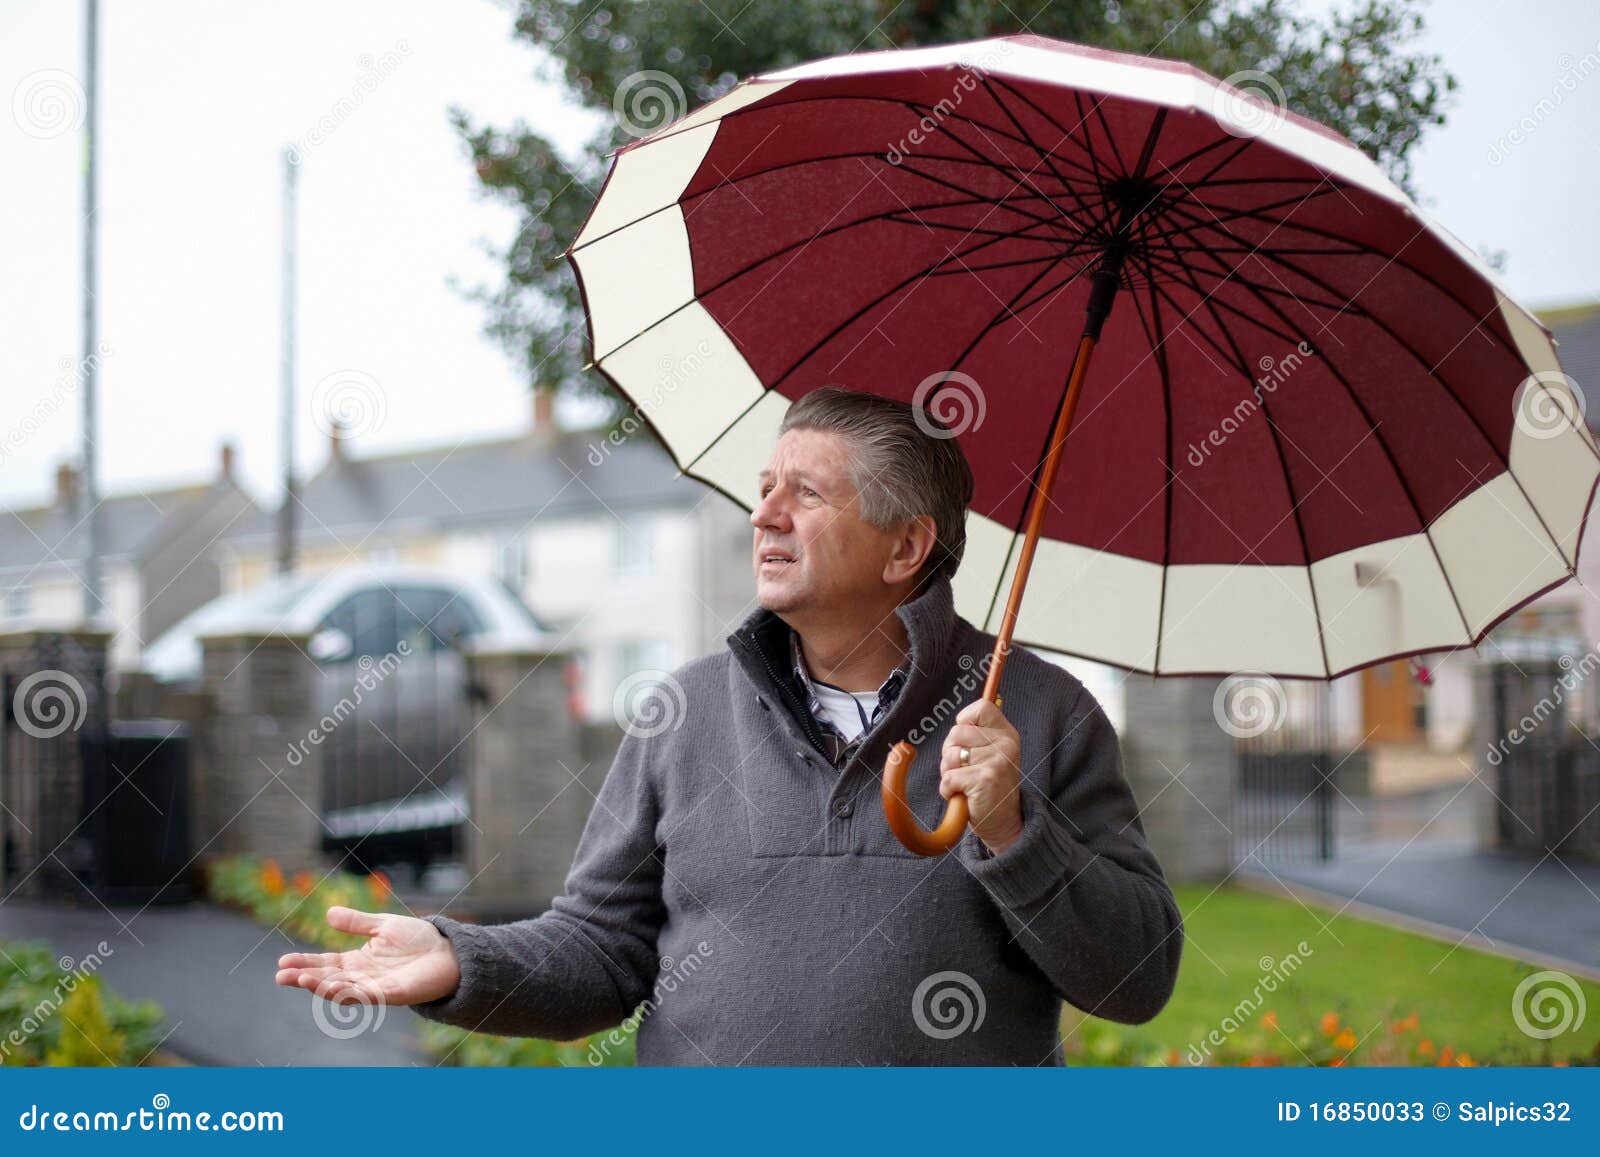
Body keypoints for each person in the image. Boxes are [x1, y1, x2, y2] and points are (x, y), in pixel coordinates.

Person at [275, 386, 1184, 1064]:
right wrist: (457, 957)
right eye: (764, 488)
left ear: (905, 546)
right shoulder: (686, 713)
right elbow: (601, 947)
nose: (764, 515)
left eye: (806, 495)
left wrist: (1011, 831)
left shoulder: (1041, 715)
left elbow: (1135, 979)